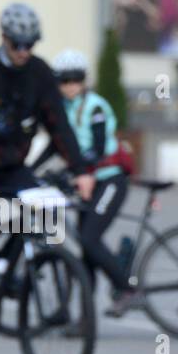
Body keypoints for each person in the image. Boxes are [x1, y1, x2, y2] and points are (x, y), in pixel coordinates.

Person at [0, 3, 94, 307]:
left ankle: (4, 265)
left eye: (31, 44)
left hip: (14, 167)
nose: (24, 51)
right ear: (4, 37)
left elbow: (59, 126)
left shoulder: (40, 73)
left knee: (42, 211)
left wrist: (80, 170)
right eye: (17, 44)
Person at [37, 48, 140, 316]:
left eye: (76, 79)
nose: (70, 86)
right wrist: (29, 170)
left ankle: (128, 289)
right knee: (86, 251)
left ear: (84, 80)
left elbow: (94, 149)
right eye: (64, 80)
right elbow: (55, 145)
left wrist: (73, 170)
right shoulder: (62, 109)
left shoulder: (95, 107)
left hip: (109, 180)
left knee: (90, 239)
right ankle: (85, 320)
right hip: (86, 182)